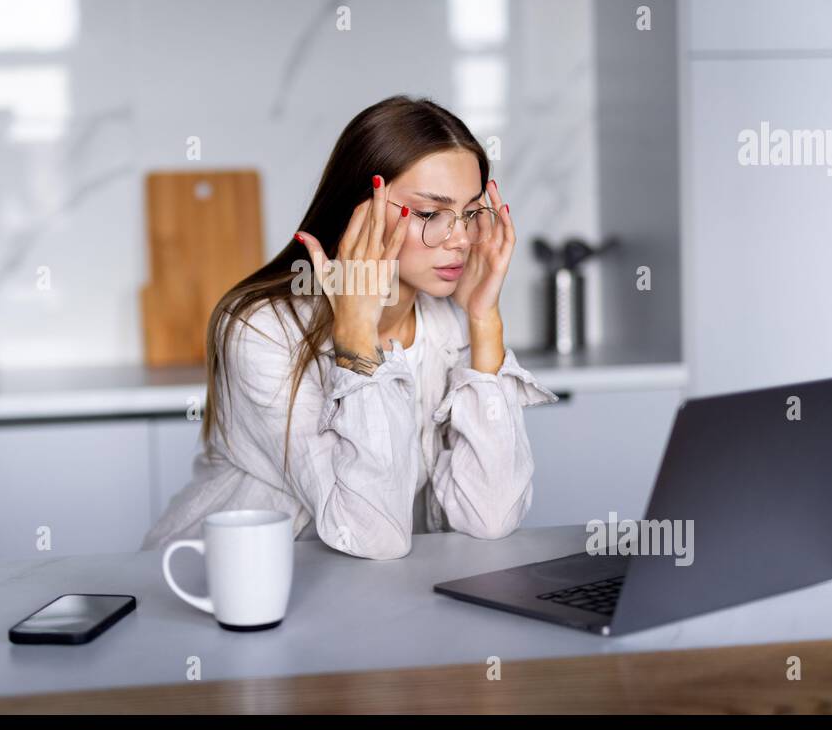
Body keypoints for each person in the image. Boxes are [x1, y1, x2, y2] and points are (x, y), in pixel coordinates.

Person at [141, 95, 557, 559]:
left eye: (471, 212)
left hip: (363, 595)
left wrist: (485, 321)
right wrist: (357, 332)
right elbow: (373, 536)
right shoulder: (261, 330)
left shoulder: (450, 322)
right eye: (430, 213)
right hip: (222, 585)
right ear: (361, 211)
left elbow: (491, 517)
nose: (460, 239)